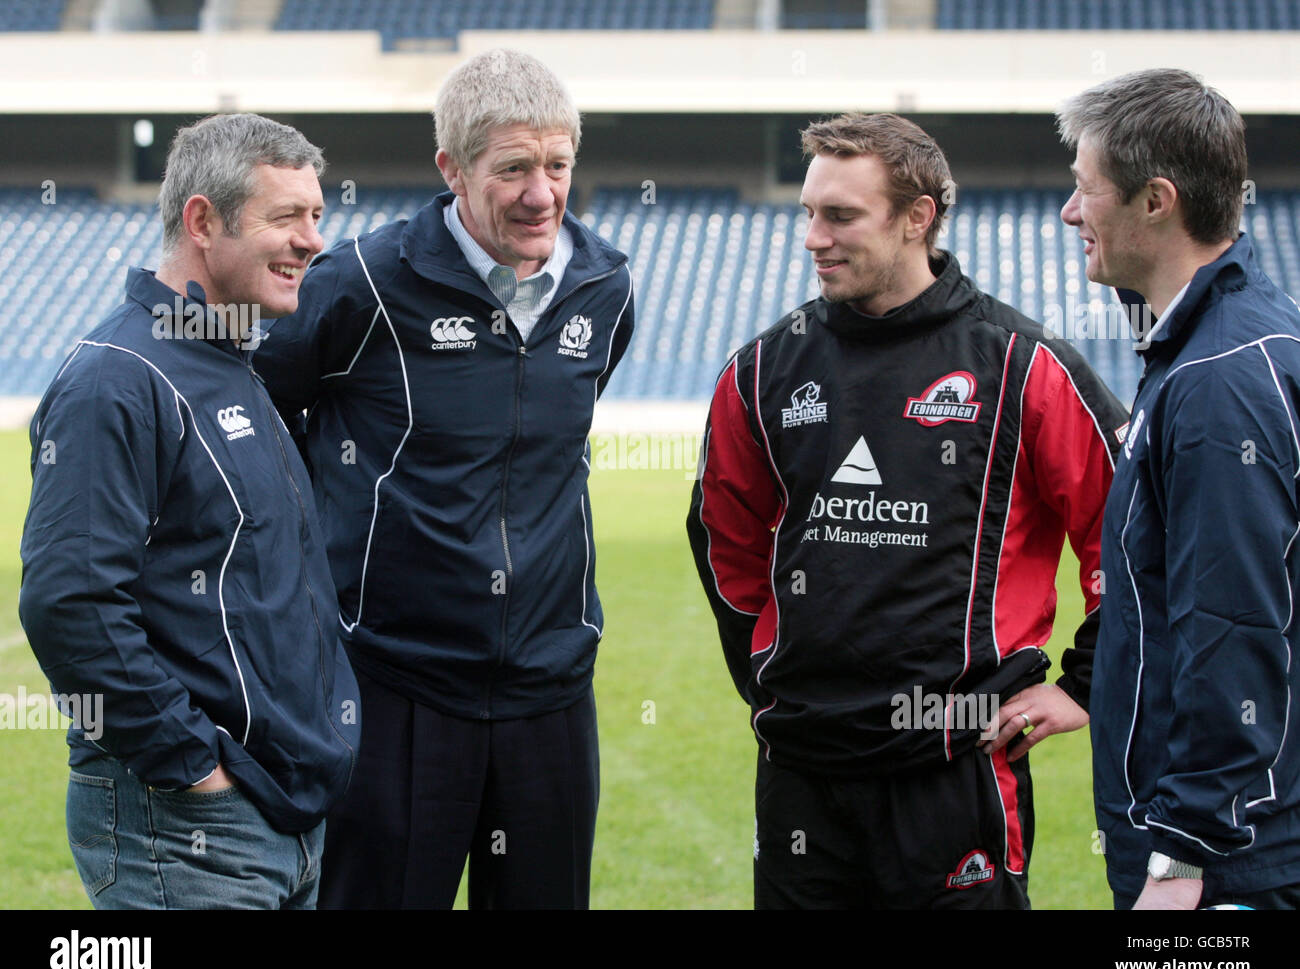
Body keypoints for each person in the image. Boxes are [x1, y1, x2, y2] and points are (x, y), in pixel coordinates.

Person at [687, 112, 1128, 909]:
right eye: (808, 213)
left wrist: (1089, 685)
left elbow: (1129, 530)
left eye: (842, 216)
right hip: (802, 767)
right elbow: (726, 542)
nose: (814, 237)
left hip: (955, 764)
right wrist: (768, 675)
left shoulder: (1021, 365)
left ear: (917, 217)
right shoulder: (762, 371)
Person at [252, 48, 634, 909]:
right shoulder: (362, 284)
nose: (542, 193)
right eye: (513, 169)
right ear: (452, 169)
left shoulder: (606, 285)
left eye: (558, 165)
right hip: (395, 687)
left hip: (551, 688)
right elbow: (260, 415)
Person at [19, 113, 359, 909]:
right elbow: (69, 605)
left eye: (317, 216)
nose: (312, 241)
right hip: (189, 826)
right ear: (203, 220)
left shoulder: (235, 362)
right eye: (286, 217)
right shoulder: (118, 380)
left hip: (284, 812)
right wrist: (194, 769)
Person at [1059, 68, 1300, 910]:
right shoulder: (1221, 346)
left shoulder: (1217, 381)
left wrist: (1184, 860)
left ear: (1155, 201)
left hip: (1228, 865)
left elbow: (1231, 623)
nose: (1068, 212)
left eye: (1085, 190)